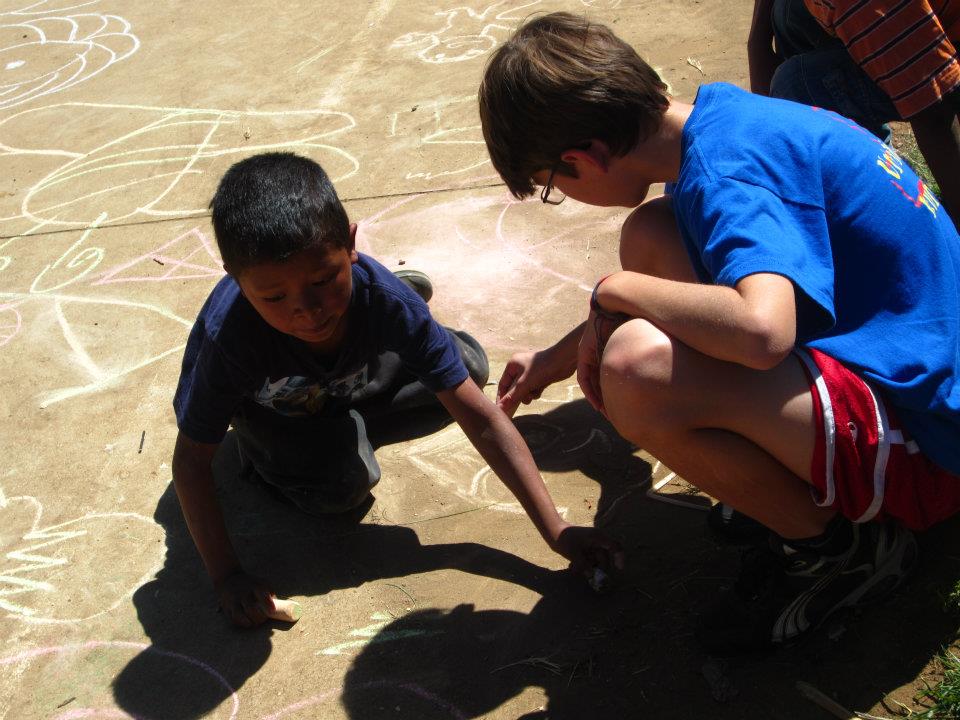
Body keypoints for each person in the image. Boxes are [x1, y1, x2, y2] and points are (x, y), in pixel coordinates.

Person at [478, 12, 960, 653]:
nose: (558, 196)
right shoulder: (722, 124)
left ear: (584, 158)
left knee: (636, 370)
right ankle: (795, 487)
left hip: (931, 445)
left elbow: (762, 333)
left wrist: (613, 293)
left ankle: (845, 551)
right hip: (911, 369)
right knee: (651, 234)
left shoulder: (729, 177)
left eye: (551, 187)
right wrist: (556, 356)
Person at [172, 152, 622, 627]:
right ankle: (285, 446)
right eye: (273, 297)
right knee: (344, 485)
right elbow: (191, 462)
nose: (306, 310)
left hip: (347, 369)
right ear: (235, 278)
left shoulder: (377, 300)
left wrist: (557, 532)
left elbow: (483, 418)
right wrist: (226, 575)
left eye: (324, 279)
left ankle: (386, 343)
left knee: (468, 366)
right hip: (280, 410)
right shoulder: (232, 338)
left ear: (350, 245)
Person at [747, 0, 960, 226]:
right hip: (904, 25)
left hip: (943, 51)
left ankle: (889, 195)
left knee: (793, 84)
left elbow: (935, 110)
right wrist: (757, 43)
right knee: (788, 12)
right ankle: (870, 148)